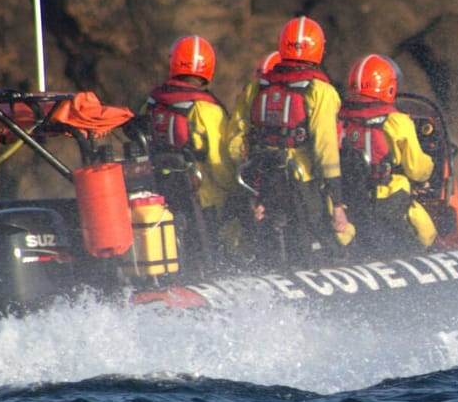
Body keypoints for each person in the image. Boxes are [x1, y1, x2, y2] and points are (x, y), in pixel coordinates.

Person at [234, 16, 351, 265]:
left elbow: (235, 141)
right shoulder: (320, 91)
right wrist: (338, 203)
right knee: (325, 240)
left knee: (272, 242)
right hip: (302, 180)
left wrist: (250, 185)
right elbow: (325, 149)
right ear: (318, 48)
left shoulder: (256, 87)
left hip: (263, 181)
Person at [140, 35, 238, 269]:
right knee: (235, 221)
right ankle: (227, 267)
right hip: (203, 196)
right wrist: (236, 191)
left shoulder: (153, 103)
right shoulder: (206, 109)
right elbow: (218, 161)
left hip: (162, 190)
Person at [337, 53, 436, 256]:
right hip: (388, 199)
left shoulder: (338, 117)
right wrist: (425, 174)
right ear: (388, 86)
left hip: (349, 199)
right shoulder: (396, 121)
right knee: (427, 233)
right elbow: (418, 170)